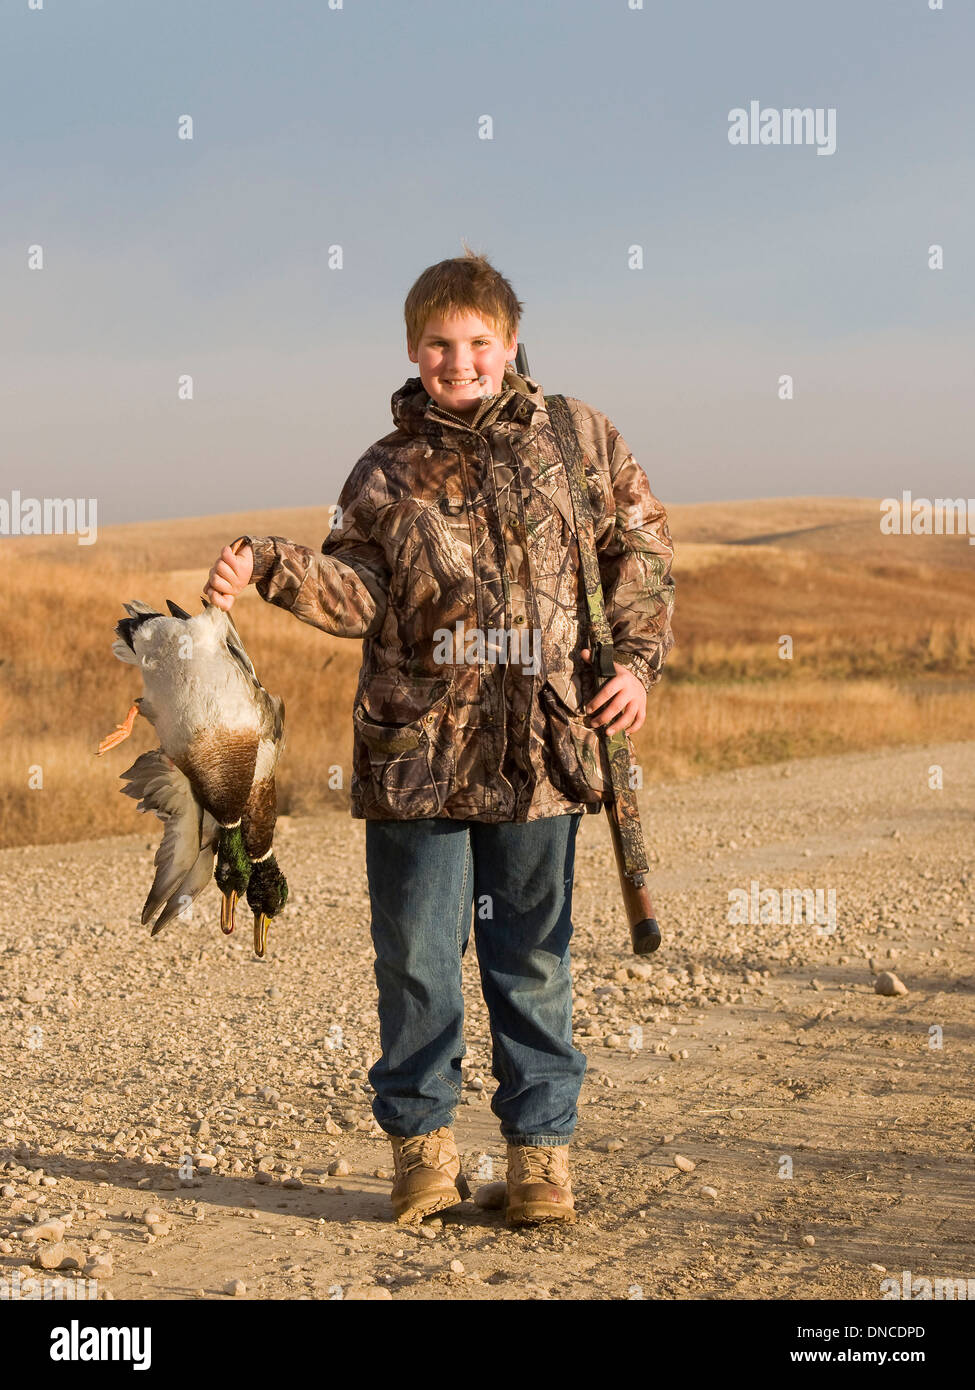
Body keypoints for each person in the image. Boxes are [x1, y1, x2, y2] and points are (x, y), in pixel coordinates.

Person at [205, 246, 675, 1226]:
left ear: (509, 342)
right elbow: (360, 593)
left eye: (476, 342)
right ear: (413, 350)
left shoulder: (577, 437)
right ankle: (423, 1150)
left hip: (542, 757)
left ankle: (539, 1159)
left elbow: (639, 547)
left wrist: (633, 663)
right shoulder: (384, 470)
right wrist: (271, 567)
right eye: (437, 345)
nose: (458, 362)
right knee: (417, 957)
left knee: (532, 958)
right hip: (415, 758)